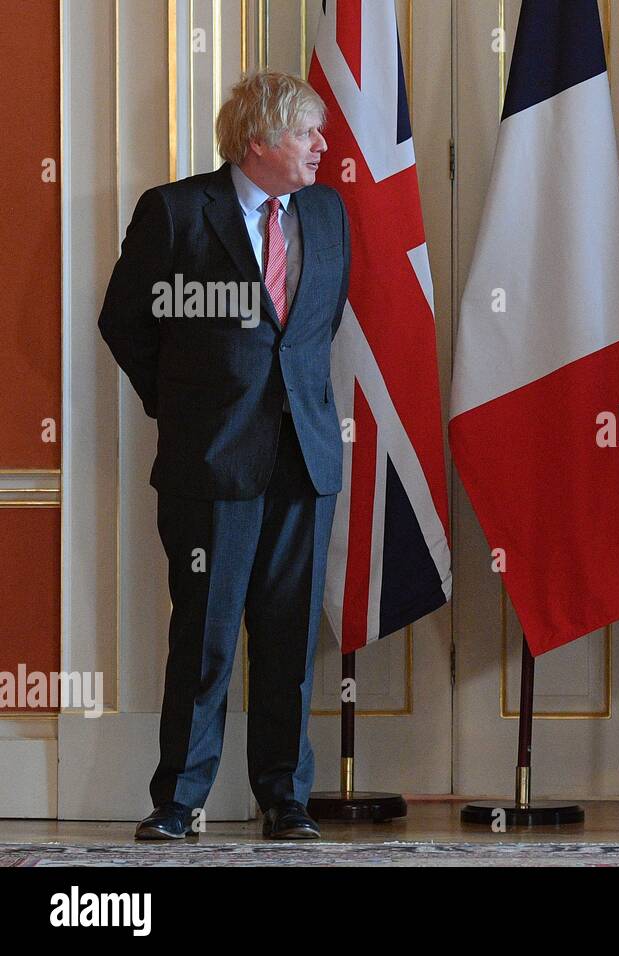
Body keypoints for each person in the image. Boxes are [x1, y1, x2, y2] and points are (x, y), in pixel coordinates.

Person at [98, 70, 350, 840]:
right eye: (307, 132)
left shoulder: (329, 212)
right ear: (258, 141)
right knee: (205, 637)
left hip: (303, 459)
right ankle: (179, 802)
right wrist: (183, 409)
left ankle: (286, 799)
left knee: (290, 640)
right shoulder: (175, 211)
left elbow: (317, 324)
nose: (321, 145)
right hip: (211, 464)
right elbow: (125, 323)